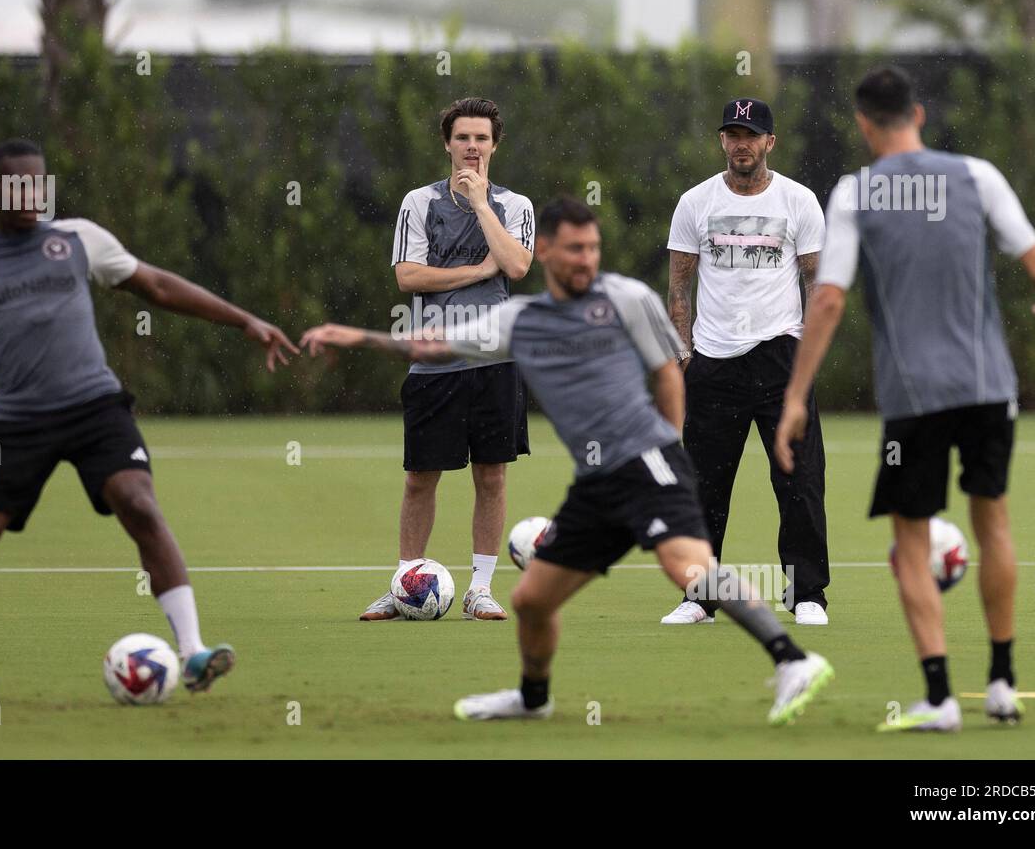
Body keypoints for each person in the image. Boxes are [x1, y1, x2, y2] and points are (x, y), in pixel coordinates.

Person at [301, 197, 833, 724]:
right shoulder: (520, 319)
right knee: (532, 601)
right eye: (575, 248)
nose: (587, 259)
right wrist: (354, 337)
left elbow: (668, 374)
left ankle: (793, 659)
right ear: (548, 250)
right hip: (596, 485)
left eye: (594, 248)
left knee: (690, 569)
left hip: (646, 463)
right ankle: (533, 700)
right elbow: (432, 348)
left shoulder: (625, 298)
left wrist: (669, 444)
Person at [0, 138, 299, 703]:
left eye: (39, 182)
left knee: (140, 503)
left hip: (94, 408)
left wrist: (245, 321)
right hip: (16, 424)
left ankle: (193, 651)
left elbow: (155, 285)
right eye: (19, 184)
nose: (32, 193)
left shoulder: (79, 240)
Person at [774, 67, 1035, 731]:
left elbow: (827, 299)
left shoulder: (856, 192)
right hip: (987, 389)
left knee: (910, 543)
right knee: (992, 523)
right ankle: (1002, 683)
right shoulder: (977, 175)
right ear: (918, 113)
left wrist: (797, 394)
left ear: (863, 124)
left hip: (913, 401)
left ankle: (940, 697)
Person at [361, 97, 534, 622]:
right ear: (447, 143)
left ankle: (480, 589)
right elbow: (408, 277)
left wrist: (482, 205)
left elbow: (518, 266)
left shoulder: (515, 205)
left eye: (482, 139)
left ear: (494, 145)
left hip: (495, 362)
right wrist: (476, 272)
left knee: (492, 477)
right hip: (434, 363)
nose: (472, 147)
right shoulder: (418, 202)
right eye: (463, 138)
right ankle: (406, 583)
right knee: (420, 478)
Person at [664, 97, 830, 626]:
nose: (742, 143)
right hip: (713, 361)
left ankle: (807, 594)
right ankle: (698, 596)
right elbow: (679, 290)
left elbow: (815, 283)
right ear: (722, 142)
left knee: (799, 478)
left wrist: (807, 358)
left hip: (780, 354)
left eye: (751, 135)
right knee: (704, 485)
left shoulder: (799, 201)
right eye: (733, 134)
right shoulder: (695, 202)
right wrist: (683, 355)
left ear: (769, 143)